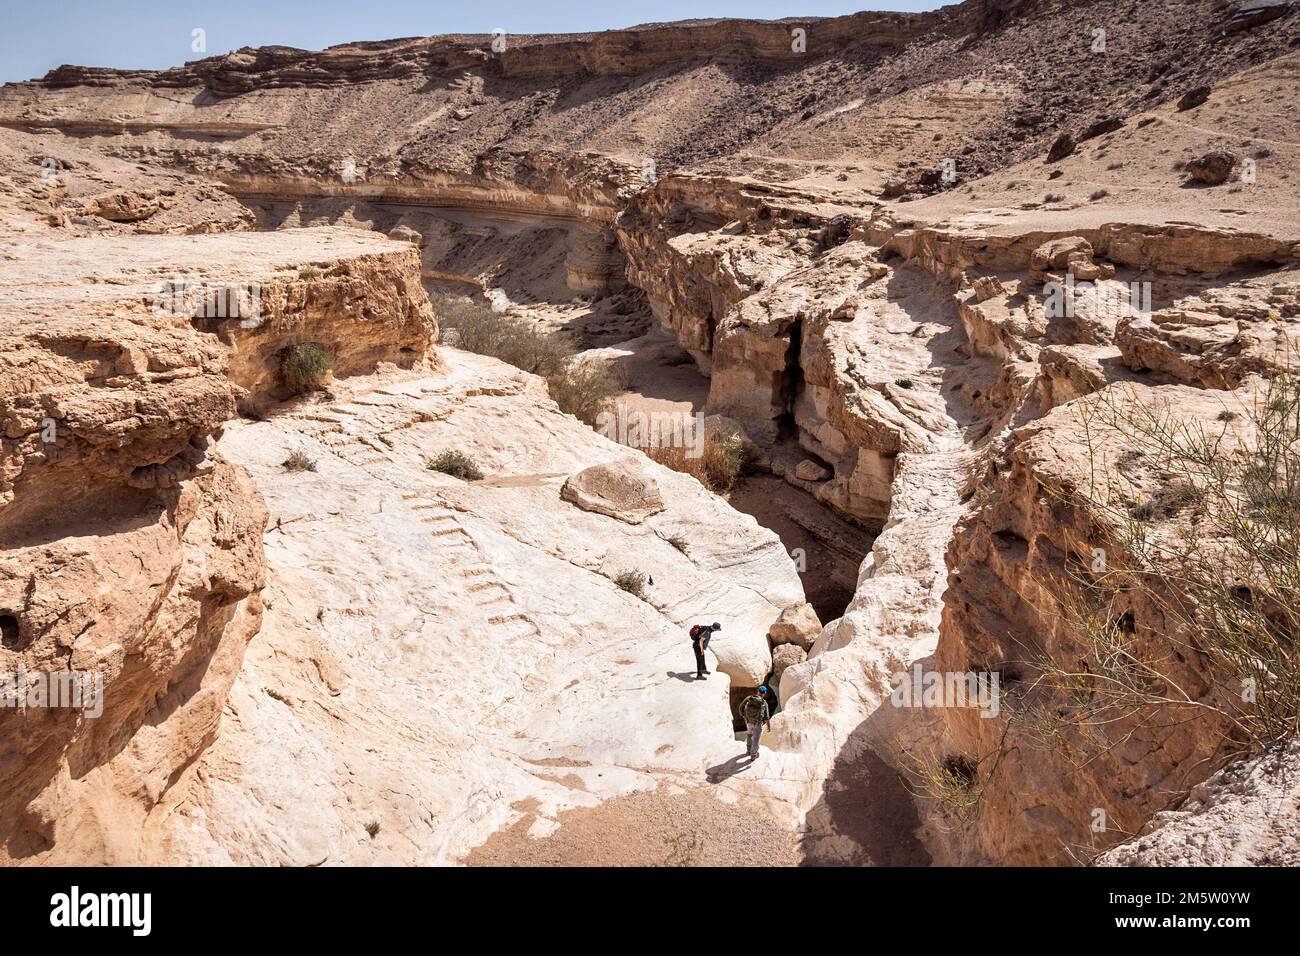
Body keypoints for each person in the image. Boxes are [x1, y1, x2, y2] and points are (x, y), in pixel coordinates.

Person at [740, 686, 771, 760]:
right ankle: (753, 755)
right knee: (756, 739)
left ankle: (748, 751)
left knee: (749, 735)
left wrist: (743, 716)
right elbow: (766, 717)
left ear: (758, 691)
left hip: (748, 721)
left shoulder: (749, 698)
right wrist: (768, 726)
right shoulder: (764, 703)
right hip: (757, 723)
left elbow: (741, 707)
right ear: (765, 693)